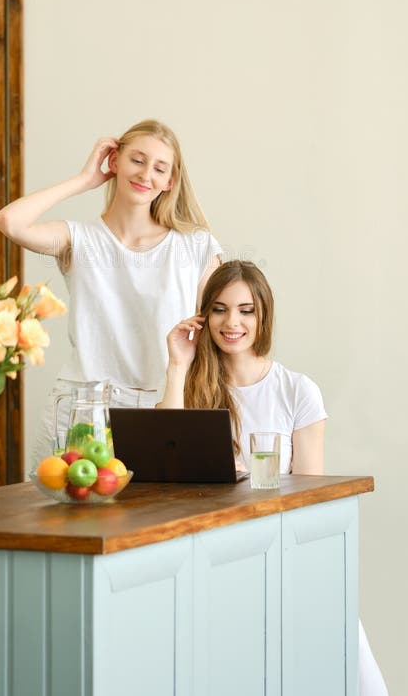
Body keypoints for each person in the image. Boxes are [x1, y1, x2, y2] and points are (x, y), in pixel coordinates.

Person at [157, 259, 389, 696]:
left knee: (340, 632)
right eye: (220, 309)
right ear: (204, 316)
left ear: (263, 315)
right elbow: (160, 465)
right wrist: (176, 365)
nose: (232, 322)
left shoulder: (297, 390)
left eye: (246, 310)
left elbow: (311, 495)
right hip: (208, 549)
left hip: (279, 546)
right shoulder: (191, 387)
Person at [0, 118, 222, 462]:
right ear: (114, 161)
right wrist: (84, 180)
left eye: (159, 168)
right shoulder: (79, 239)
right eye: (137, 160)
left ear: (170, 181)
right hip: (81, 408)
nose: (146, 174)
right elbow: (9, 222)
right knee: (59, 500)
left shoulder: (196, 247)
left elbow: (219, 334)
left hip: (161, 407)